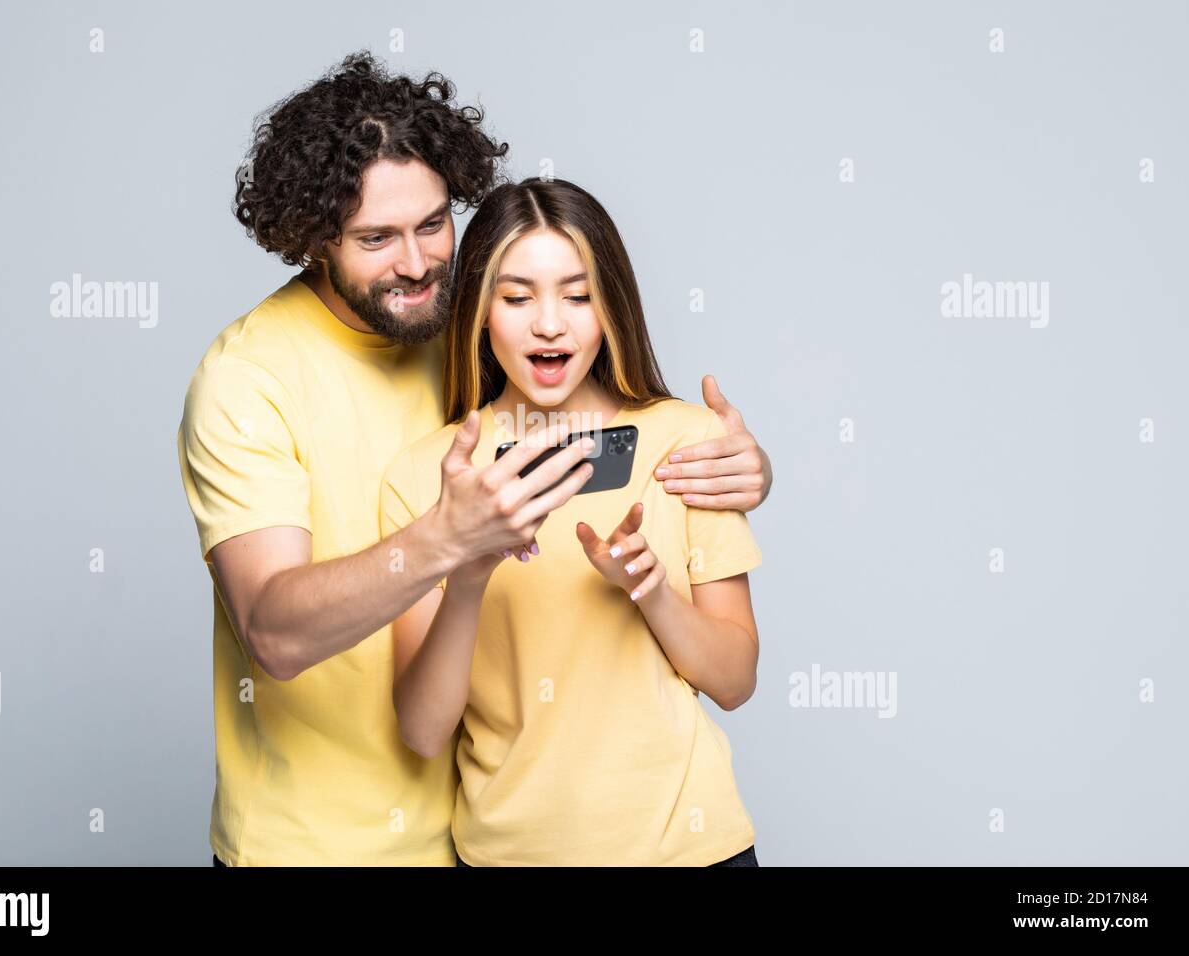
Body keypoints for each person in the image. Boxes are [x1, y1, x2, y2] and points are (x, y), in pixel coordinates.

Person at [177, 52, 772, 866]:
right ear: (313, 237)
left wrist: (736, 466)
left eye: (432, 225)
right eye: (375, 238)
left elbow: (573, 329)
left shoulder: (459, 320)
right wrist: (452, 544)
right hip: (320, 843)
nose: (418, 263)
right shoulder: (247, 379)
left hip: (467, 836)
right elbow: (274, 635)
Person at [381, 178, 762, 866]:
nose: (549, 323)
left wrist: (650, 590)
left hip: (690, 848)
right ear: (480, 313)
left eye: (578, 296)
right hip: (510, 853)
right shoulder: (426, 474)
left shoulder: (689, 443)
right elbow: (422, 729)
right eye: (518, 297)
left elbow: (734, 681)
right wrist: (466, 574)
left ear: (611, 308)